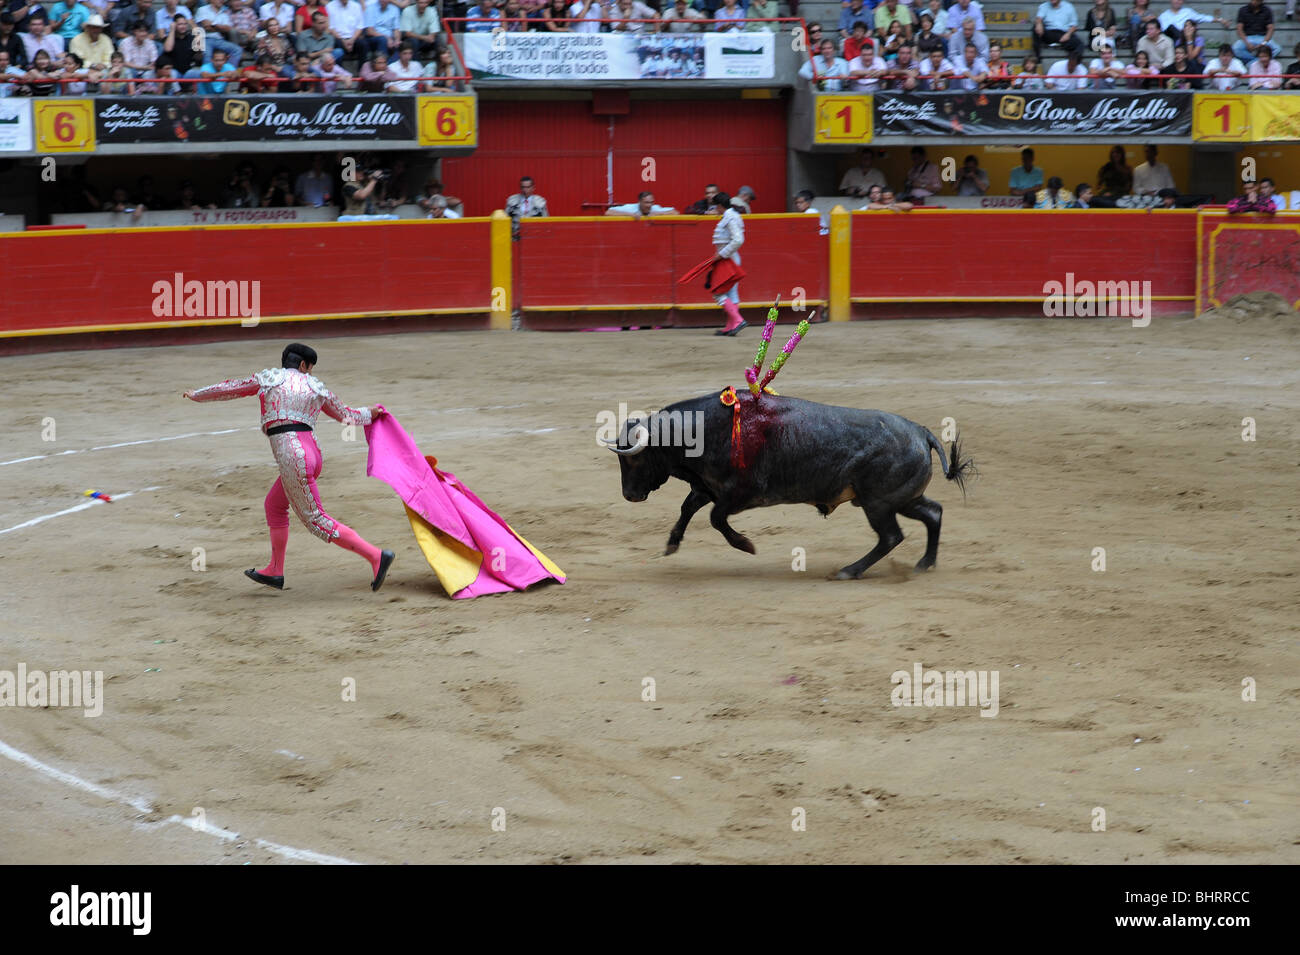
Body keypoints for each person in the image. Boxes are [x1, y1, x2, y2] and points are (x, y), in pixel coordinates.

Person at [183, 344, 395, 593]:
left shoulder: (268, 379)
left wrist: (197, 394)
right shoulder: (315, 386)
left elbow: (231, 388)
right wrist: (371, 413)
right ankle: (275, 570)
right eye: (310, 368)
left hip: (293, 457)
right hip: (312, 454)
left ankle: (376, 556)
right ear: (304, 365)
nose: (310, 373)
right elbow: (346, 415)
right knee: (274, 506)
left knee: (316, 520)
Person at [708, 190, 746, 336]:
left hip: (727, 259)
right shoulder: (731, 215)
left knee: (718, 293)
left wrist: (722, 254)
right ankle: (731, 326)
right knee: (731, 293)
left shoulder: (729, 217)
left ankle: (738, 320)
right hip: (730, 258)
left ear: (719, 205)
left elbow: (738, 239)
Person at [605, 191, 676, 217]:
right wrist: (630, 215)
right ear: (639, 202)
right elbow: (608, 212)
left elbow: (675, 212)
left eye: (651, 202)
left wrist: (658, 213)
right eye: (646, 202)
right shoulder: (631, 208)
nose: (649, 205)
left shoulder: (655, 208)